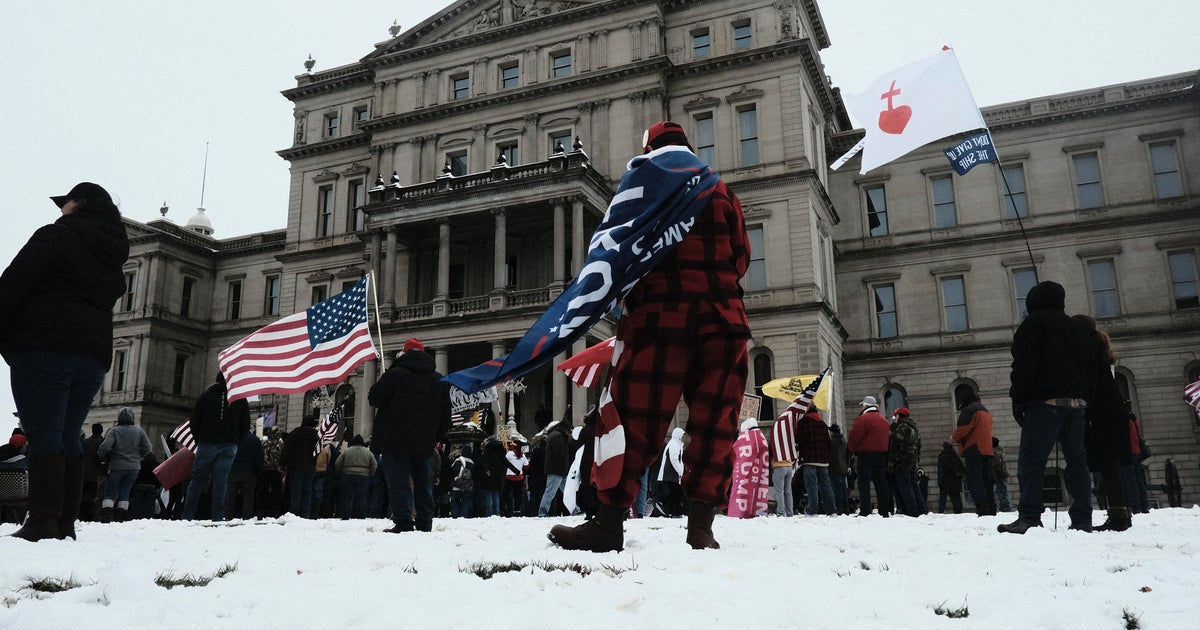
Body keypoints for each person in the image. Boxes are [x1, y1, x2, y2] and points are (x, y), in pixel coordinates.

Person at [549, 121, 751, 552]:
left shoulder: (641, 181)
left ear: (649, 149)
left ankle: (608, 522)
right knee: (716, 424)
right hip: (724, 320)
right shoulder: (722, 191)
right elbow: (741, 257)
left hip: (660, 317)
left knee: (631, 420)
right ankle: (701, 527)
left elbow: (612, 247)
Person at [1, 182, 129, 541]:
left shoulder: (56, 235)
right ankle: (63, 523)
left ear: (80, 204)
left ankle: (42, 520)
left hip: (43, 346)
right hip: (92, 354)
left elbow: (13, 283)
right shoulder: (112, 254)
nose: (61, 209)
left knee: (43, 433)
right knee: (69, 433)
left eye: (65, 202)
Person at [1001, 281, 1095, 534]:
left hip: (1045, 401)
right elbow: (1087, 366)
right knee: (1077, 461)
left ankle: (1030, 514)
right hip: (1076, 401)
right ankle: (1083, 518)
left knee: (1032, 460)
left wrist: (1018, 399)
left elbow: (1023, 367)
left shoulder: (1032, 325)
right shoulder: (1076, 327)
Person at [369, 338, 452, 533]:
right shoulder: (439, 380)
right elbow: (446, 414)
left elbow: (374, 398)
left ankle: (404, 521)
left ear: (403, 354)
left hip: (394, 439)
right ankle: (425, 522)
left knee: (399, 482)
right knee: (424, 483)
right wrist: (436, 437)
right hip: (424, 442)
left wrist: (385, 377)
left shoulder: (395, 375)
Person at [1073, 314, 1134, 531]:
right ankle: (1121, 513)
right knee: (1112, 467)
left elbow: (1090, 385)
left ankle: (1118, 517)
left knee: (1109, 466)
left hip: (1103, 415)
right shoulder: (1098, 348)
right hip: (1112, 413)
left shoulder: (1088, 351)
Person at [183, 373, 250, 521]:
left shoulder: (205, 396)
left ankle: (187, 516)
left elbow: (194, 421)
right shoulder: (239, 399)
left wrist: (199, 439)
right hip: (229, 446)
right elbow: (246, 425)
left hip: (207, 443)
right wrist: (236, 440)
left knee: (197, 480)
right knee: (221, 481)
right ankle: (217, 517)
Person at [96, 407, 152, 523]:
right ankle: (120, 518)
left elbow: (105, 447)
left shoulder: (115, 431)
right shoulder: (139, 431)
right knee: (125, 492)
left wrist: (102, 456)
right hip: (134, 468)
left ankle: (106, 518)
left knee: (110, 492)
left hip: (116, 466)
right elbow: (148, 448)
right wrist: (138, 456)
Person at [950, 393, 996, 516]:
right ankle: (991, 508)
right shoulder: (986, 411)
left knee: (976, 481)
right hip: (988, 450)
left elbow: (963, 429)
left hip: (974, 450)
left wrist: (953, 438)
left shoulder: (969, 411)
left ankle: (982, 509)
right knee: (988, 481)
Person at [848, 396, 892, 517]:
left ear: (866, 406)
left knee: (864, 483)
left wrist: (853, 450)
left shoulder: (863, 419)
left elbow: (854, 436)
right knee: (881, 483)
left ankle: (865, 509)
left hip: (865, 455)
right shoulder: (883, 420)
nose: (861, 407)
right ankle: (884, 510)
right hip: (882, 455)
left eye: (862, 405)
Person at [795, 408, 836, 516]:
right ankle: (831, 510)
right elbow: (828, 442)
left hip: (809, 459)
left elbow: (801, 439)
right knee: (826, 485)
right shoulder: (822, 423)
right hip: (823, 460)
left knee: (811, 486)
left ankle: (812, 510)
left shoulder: (804, 422)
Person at [728, 418, 769, 518]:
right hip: (759, 472)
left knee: (743, 490)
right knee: (756, 490)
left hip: (744, 472)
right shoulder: (762, 437)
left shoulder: (745, 437)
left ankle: (739, 511)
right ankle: (756, 511)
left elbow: (734, 451)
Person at [888, 407, 923, 516]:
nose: (894, 418)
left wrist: (892, 462)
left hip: (902, 462)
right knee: (914, 487)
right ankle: (922, 509)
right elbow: (919, 447)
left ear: (899, 416)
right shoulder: (914, 428)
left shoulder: (902, 428)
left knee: (905, 487)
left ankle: (912, 511)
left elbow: (896, 446)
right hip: (912, 462)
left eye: (895, 416)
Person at [281, 417, 319, 517]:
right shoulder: (316, 437)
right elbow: (318, 452)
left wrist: (283, 463)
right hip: (310, 467)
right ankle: (305, 514)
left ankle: (294, 513)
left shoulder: (294, 434)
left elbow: (286, 450)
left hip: (295, 466)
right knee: (307, 491)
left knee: (296, 491)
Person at [225, 427, 264, 520]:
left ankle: (228, 516)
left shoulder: (231, 438)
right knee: (248, 497)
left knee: (230, 496)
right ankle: (246, 517)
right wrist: (258, 472)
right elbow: (259, 457)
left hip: (233, 470)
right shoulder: (254, 440)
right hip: (249, 472)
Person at [335, 435, 377, 519]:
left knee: (347, 497)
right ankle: (361, 515)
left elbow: (338, 463)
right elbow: (374, 465)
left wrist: (340, 473)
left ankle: (345, 515)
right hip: (363, 476)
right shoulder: (368, 452)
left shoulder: (347, 451)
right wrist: (370, 473)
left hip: (347, 475)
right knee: (361, 497)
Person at [538, 419, 572, 517]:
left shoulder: (555, 435)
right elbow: (560, 454)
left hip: (557, 469)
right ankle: (542, 513)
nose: (569, 433)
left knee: (564, 491)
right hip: (557, 470)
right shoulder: (558, 437)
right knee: (551, 493)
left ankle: (575, 509)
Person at [768, 408, 797, 517]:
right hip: (789, 466)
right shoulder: (788, 437)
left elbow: (770, 452)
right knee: (788, 491)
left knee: (779, 491)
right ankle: (790, 512)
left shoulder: (774, 439)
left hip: (778, 466)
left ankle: (781, 512)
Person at [80, 423, 105, 521]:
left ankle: (81, 515)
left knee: (83, 495)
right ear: (101, 431)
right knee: (94, 496)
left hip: (84, 473)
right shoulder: (102, 442)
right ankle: (90, 516)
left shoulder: (84, 442)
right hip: (96, 473)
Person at [501, 441, 528, 517]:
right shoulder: (523, 455)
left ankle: (503, 510)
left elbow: (504, 461)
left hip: (510, 477)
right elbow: (526, 466)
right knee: (517, 496)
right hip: (519, 478)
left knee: (505, 495)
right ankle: (517, 511)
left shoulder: (509, 453)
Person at [828, 424, 850, 514]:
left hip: (834, 468)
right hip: (843, 468)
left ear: (831, 432)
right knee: (844, 490)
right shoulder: (844, 441)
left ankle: (839, 508)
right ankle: (846, 507)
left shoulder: (831, 442)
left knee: (837, 490)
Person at [937, 442, 965, 514]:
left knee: (944, 497)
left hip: (946, 480)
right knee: (956, 496)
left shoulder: (943, 456)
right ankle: (959, 510)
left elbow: (945, 467)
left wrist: (954, 472)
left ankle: (941, 511)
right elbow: (962, 467)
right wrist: (959, 473)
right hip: (955, 480)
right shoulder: (955, 456)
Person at [448, 445, 474, 518]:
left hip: (457, 484)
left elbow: (452, 471)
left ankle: (455, 516)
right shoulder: (472, 462)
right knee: (465, 502)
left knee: (455, 502)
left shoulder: (458, 460)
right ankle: (464, 516)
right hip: (467, 486)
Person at [992, 438, 1013, 512]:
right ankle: (1005, 508)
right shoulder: (1000, 452)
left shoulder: (996, 453)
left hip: (1000, 475)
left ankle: (1007, 509)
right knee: (1002, 492)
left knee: (1002, 493)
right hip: (1002, 475)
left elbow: (997, 465)